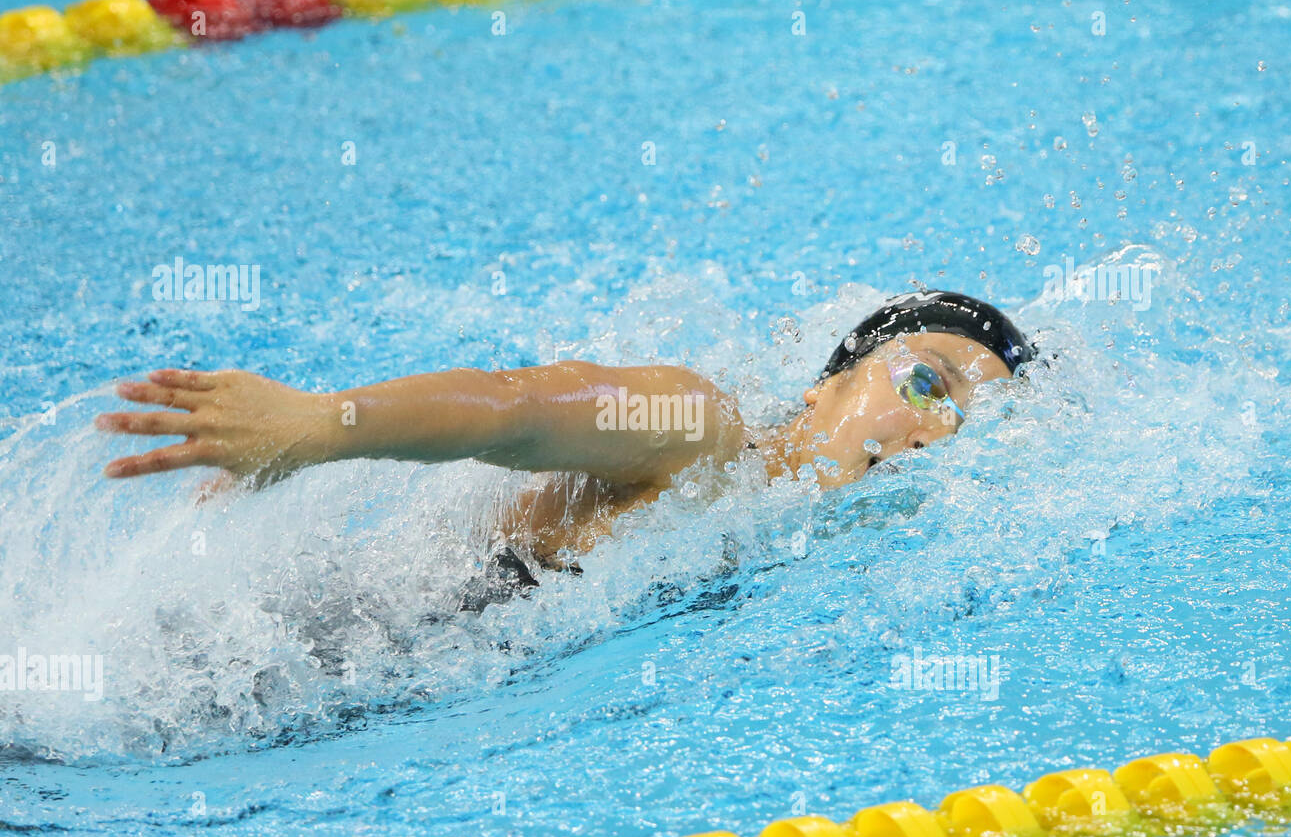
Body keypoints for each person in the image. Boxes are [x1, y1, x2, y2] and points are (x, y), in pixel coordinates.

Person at [95, 290, 1034, 588]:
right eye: (927, 381)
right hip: (327, 661)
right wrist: (317, 424)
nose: (932, 430)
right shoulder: (704, 429)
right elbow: (518, 408)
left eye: (965, 427)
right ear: (835, 375)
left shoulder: (780, 539)